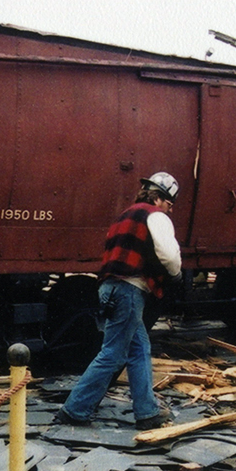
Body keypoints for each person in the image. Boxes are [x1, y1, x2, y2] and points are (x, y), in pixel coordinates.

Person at [57, 172, 183, 429]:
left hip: (110, 287)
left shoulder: (124, 215)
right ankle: (74, 409)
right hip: (130, 289)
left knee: (138, 350)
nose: (170, 209)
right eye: (170, 203)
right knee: (113, 354)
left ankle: (147, 413)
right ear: (159, 197)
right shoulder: (155, 215)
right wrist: (177, 274)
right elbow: (168, 255)